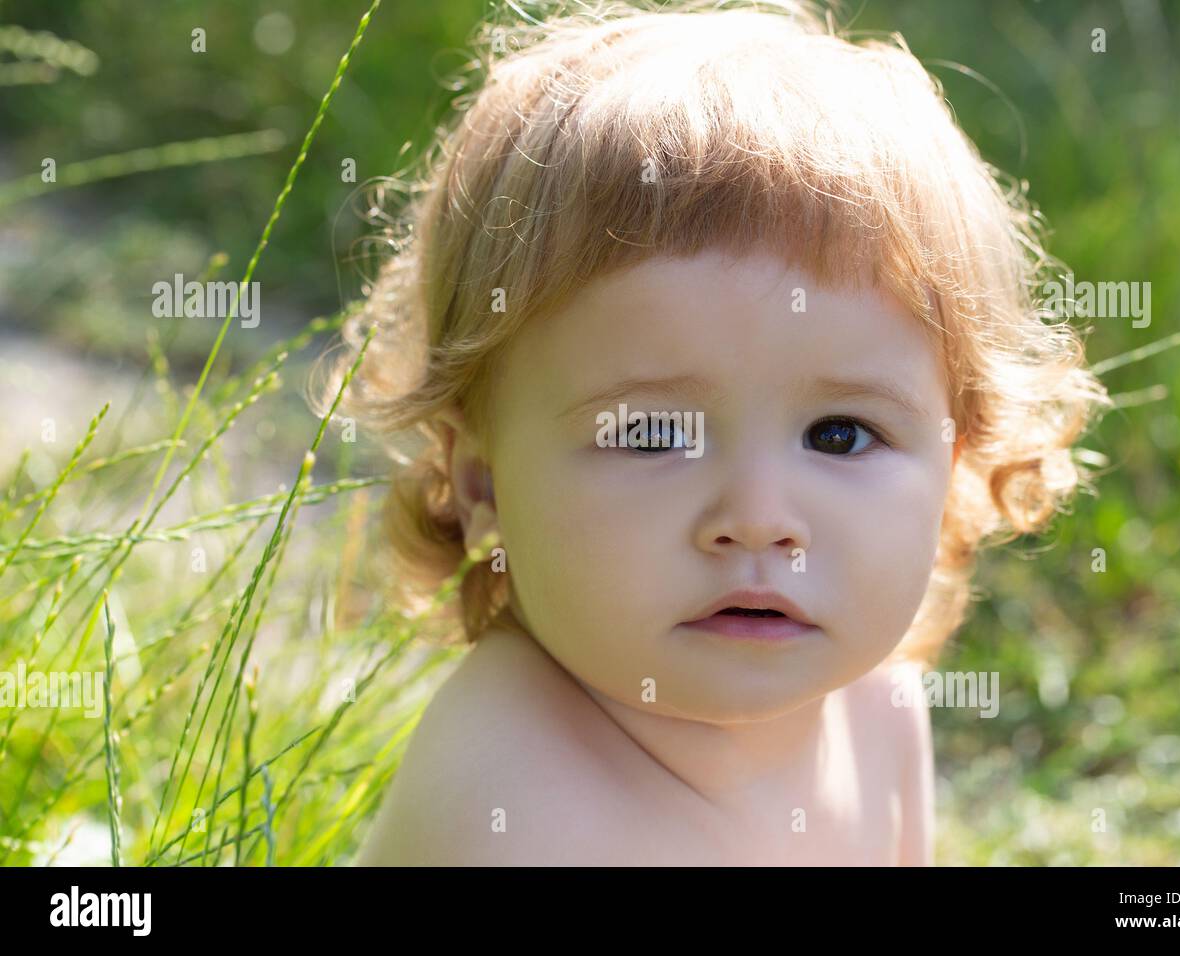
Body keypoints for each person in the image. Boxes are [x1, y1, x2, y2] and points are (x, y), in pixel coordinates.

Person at [334, 0, 1112, 865]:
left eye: (840, 435)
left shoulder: (879, 705)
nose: (757, 518)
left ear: (953, 465)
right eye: (654, 434)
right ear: (483, 486)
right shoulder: (512, 806)